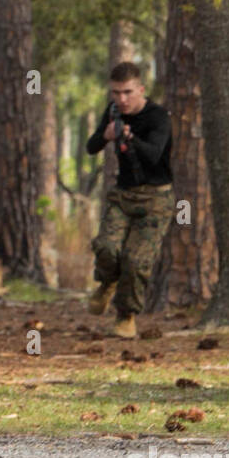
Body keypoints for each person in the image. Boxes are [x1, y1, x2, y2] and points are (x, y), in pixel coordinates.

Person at [84, 62, 175, 338]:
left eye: (127, 92)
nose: (122, 99)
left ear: (140, 90)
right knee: (107, 248)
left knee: (136, 261)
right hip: (122, 195)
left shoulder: (158, 117)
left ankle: (126, 316)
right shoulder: (113, 112)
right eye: (116, 93)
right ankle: (106, 283)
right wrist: (105, 135)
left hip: (155, 198)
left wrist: (129, 137)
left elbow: (154, 155)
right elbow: (91, 147)